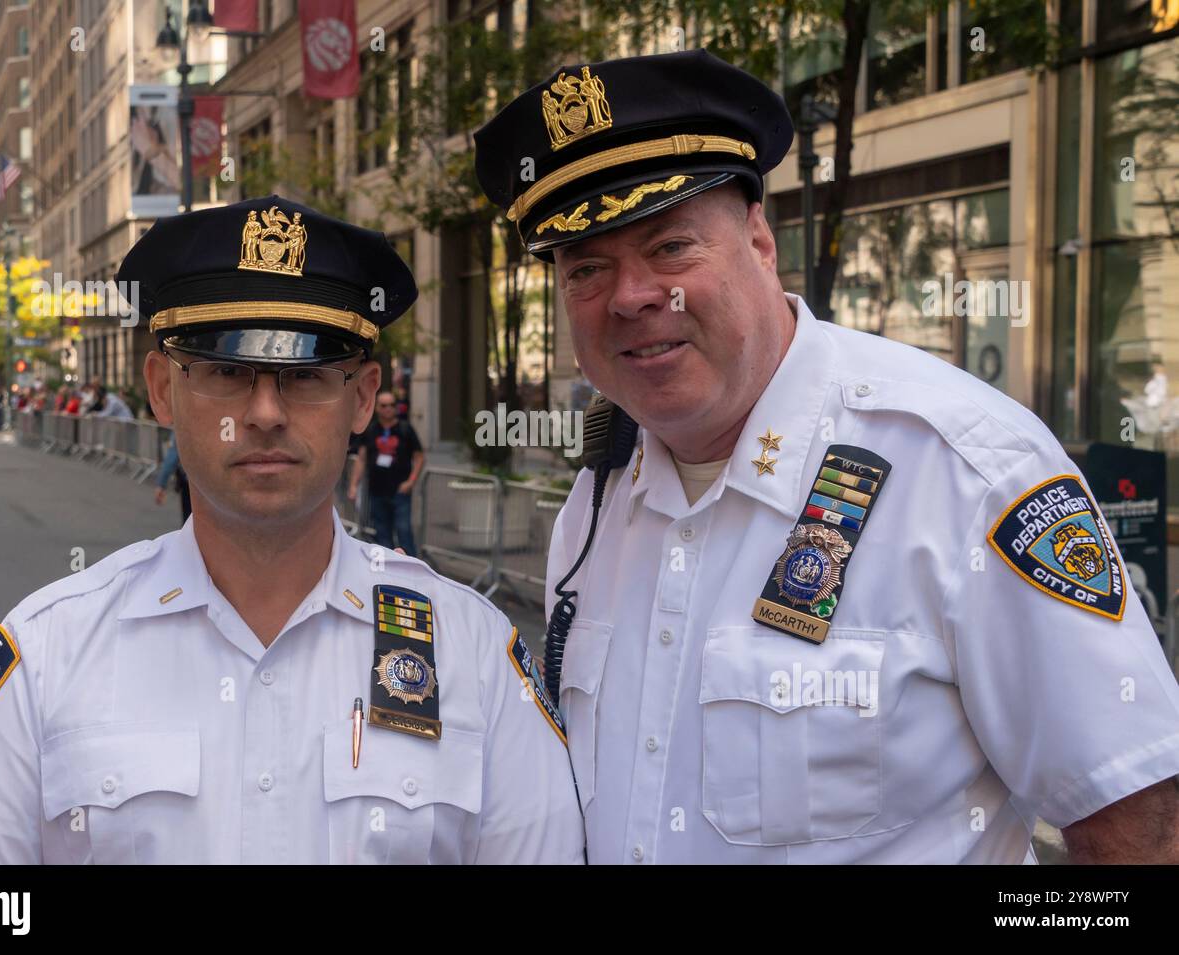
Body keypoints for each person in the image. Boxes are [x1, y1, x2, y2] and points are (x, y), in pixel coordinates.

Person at [474, 48, 1179, 864]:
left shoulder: (964, 472)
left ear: (760, 242)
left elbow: (1142, 835)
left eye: (670, 248)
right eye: (587, 266)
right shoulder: (597, 504)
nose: (632, 296)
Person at [0, 195, 582, 864]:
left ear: (362, 398)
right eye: (226, 370)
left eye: (305, 376)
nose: (266, 412)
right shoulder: (49, 652)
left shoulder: (476, 655)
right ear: (162, 389)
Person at [349, 391, 423, 555]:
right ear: (377, 408)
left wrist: (411, 481)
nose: (388, 409)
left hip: (400, 491)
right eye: (384, 405)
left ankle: (412, 573)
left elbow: (419, 457)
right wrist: (354, 485)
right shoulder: (372, 429)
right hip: (377, 491)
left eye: (392, 405)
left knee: (404, 533)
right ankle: (386, 574)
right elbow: (361, 459)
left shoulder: (405, 428)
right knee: (382, 536)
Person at [154, 431, 191, 524]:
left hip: (190, 481)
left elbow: (173, 454)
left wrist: (161, 484)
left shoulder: (184, 422)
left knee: (190, 521)